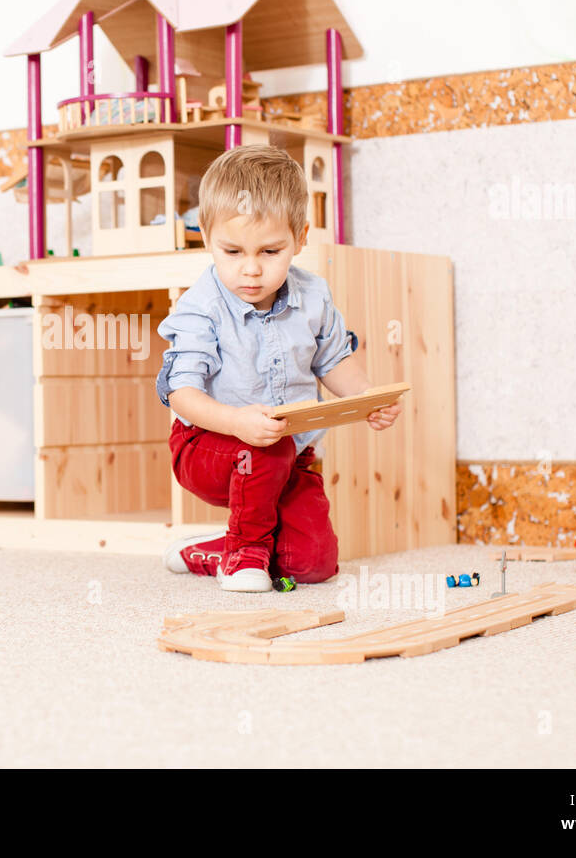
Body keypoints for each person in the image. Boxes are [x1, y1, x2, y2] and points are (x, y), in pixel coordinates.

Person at [156, 144, 400, 592]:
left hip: (288, 451)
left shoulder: (314, 296)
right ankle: (242, 556)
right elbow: (181, 393)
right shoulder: (201, 308)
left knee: (312, 565)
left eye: (270, 251)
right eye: (232, 251)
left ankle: (217, 549)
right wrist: (236, 421)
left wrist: (366, 398)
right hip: (208, 446)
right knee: (267, 448)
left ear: (300, 238)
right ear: (207, 237)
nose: (250, 270)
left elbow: (334, 360)